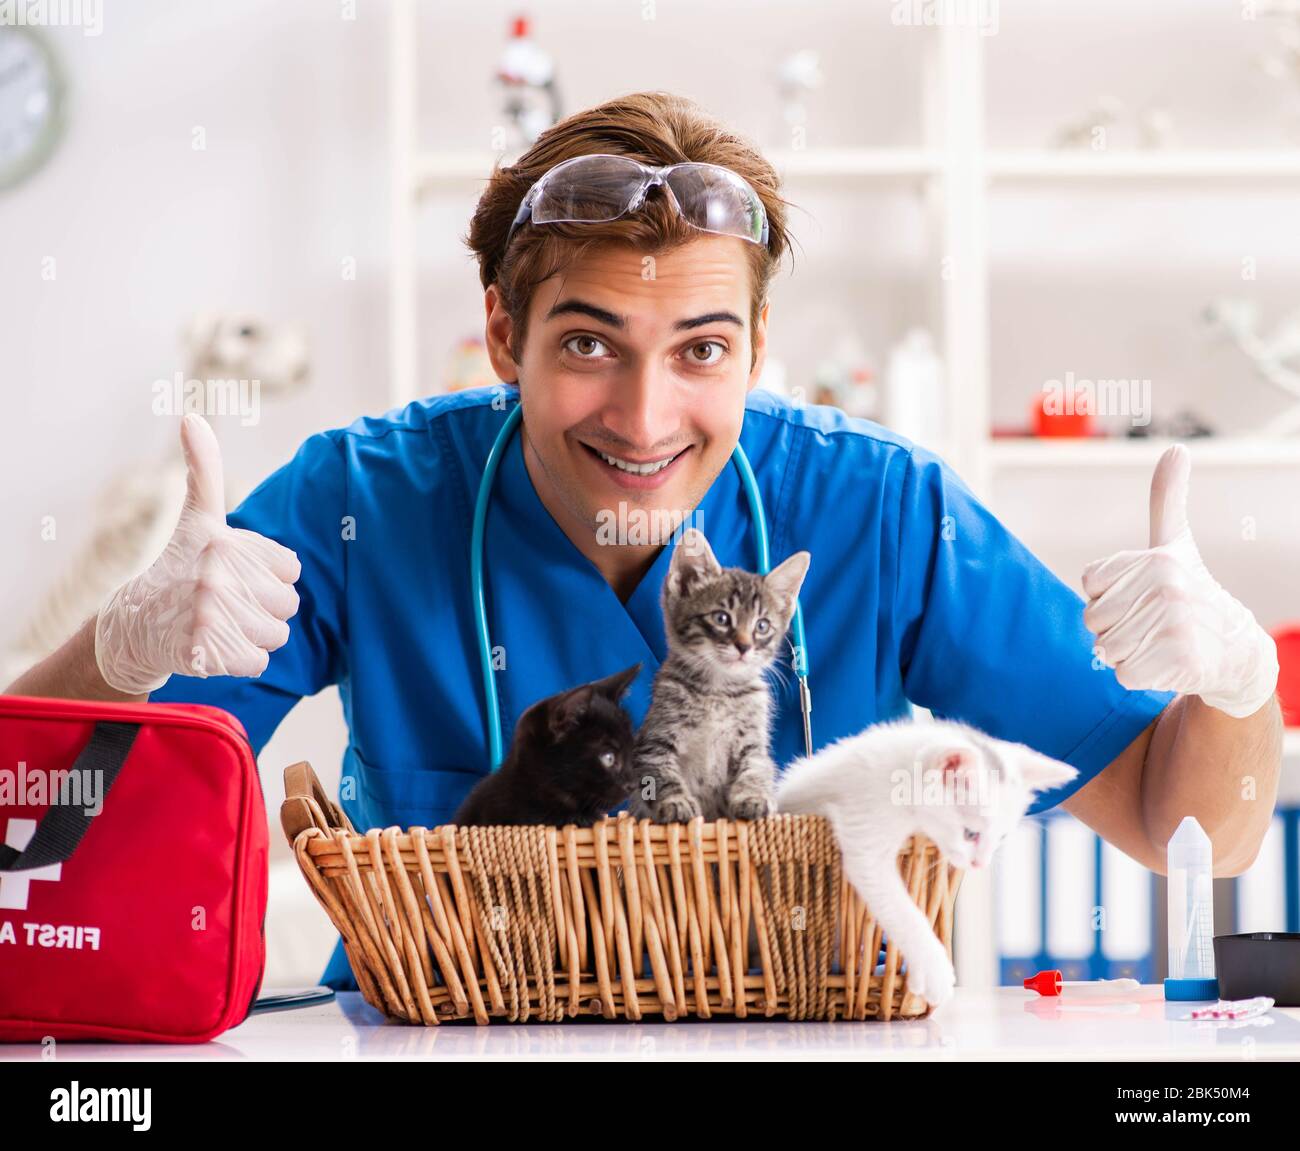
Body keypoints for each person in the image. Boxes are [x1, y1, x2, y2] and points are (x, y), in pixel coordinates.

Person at [8, 92, 1282, 993]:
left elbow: (1198, 829)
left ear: (757, 350)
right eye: (586, 342)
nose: (643, 413)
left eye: (701, 350)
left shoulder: (879, 511)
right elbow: (29, 833)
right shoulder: (367, 498)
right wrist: (118, 653)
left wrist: (1239, 683)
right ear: (503, 334)